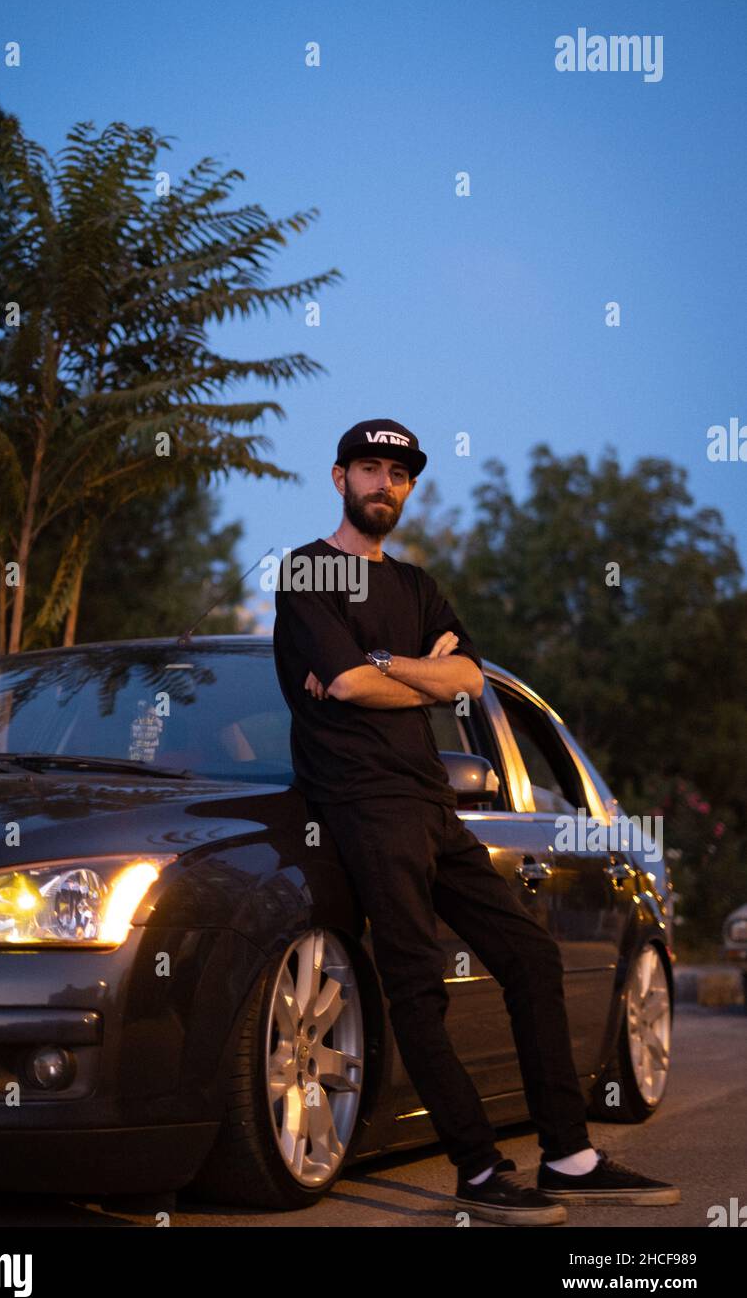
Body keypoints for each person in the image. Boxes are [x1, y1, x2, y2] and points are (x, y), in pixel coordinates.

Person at [272, 416, 681, 1226]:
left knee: (530, 955)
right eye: (367, 469)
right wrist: (399, 673)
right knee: (418, 985)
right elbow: (353, 689)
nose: (383, 483)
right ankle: (479, 1170)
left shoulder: (418, 585)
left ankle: (568, 1156)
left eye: (398, 473)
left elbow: (466, 681)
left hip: (432, 802)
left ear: (410, 486)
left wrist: (380, 665)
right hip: (361, 804)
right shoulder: (306, 572)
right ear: (338, 477)